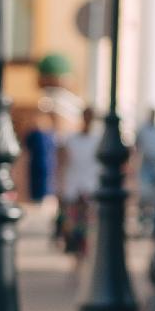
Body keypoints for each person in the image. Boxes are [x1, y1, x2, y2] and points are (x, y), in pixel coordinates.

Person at [57, 107, 99, 257]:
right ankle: (75, 250)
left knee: (87, 225)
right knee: (73, 224)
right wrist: (61, 186)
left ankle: (83, 251)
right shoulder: (70, 139)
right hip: (74, 187)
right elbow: (61, 163)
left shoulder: (97, 140)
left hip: (90, 187)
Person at [135, 108, 155, 233]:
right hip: (146, 166)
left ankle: (154, 225)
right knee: (144, 197)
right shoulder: (143, 131)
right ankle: (144, 223)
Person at [24, 112, 56, 209]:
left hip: (45, 164)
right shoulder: (35, 135)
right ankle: (37, 199)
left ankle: (41, 199)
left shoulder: (48, 135)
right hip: (37, 164)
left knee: (44, 182)